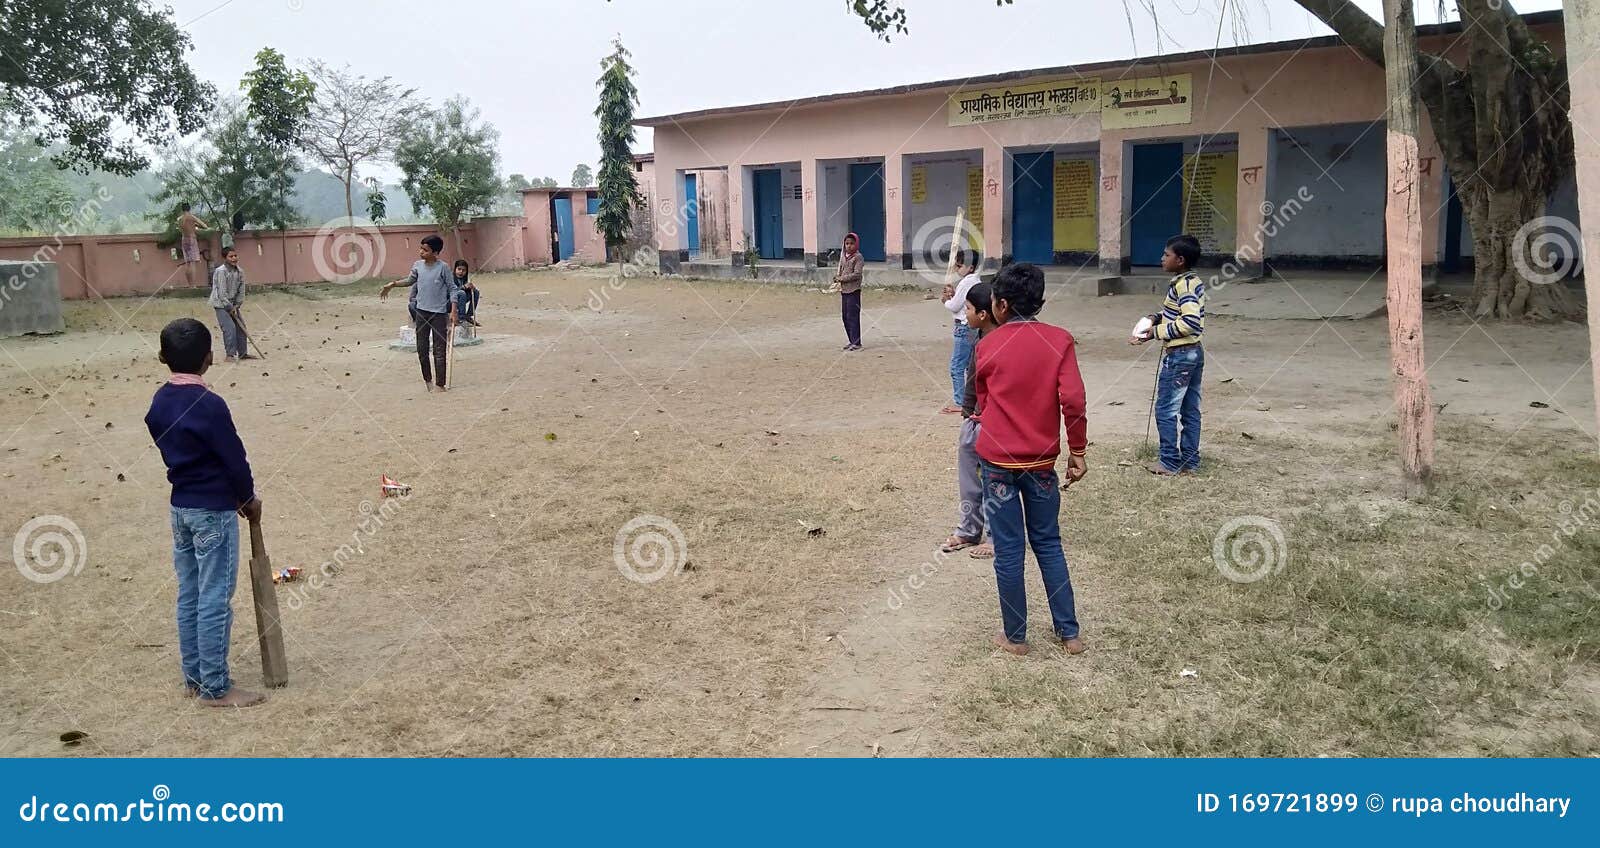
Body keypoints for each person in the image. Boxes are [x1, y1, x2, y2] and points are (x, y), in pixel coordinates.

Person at [144, 318, 266, 708]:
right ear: (210, 358)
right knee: (214, 597)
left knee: (191, 593)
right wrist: (248, 498)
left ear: (163, 357)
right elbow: (234, 458)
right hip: (213, 510)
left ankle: (194, 676)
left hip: (181, 508)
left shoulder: (159, 402)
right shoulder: (210, 405)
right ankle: (215, 686)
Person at [973, 262, 1089, 657]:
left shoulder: (987, 345)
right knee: (1048, 543)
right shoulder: (1060, 340)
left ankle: (1015, 637)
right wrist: (1078, 451)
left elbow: (982, 399)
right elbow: (1072, 401)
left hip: (997, 464)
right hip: (1041, 464)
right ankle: (1069, 634)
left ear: (1001, 305)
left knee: (1008, 550)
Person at [1131, 234, 1205, 476]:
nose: (1162, 259)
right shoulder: (1190, 282)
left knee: (1166, 409)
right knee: (1190, 409)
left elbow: (1191, 322)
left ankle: (1170, 462)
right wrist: (1155, 317)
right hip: (1194, 352)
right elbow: (1174, 313)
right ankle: (1191, 461)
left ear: (1180, 260)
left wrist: (1155, 333)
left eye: (1166, 255)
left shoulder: (1183, 285)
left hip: (1180, 355)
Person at [941, 281, 1001, 558]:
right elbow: (972, 381)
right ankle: (968, 529)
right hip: (974, 420)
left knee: (993, 480)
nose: (964, 315)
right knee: (969, 480)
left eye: (967, 309)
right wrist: (967, 412)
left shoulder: (1002, 343)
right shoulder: (976, 340)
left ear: (983, 314)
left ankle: (994, 535)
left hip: (994, 424)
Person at [380, 235, 459, 392]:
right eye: (421, 248)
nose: (421, 252)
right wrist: (393, 284)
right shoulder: (417, 265)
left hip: (438, 314)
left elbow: (452, 288)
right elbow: (410, 280)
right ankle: (428, 381)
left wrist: (454, 311)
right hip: (421, 312)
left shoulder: (443, 268)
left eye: (425, 250)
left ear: (435, 252)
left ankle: (440, 384)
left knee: (439, 349)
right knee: (422, 349)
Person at [940, 249, 983, 414]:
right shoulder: (974, 281)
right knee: (970, 366)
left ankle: (960, 402)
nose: (957, 269)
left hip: (963, 327)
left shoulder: (966, 282)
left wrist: (946, 301)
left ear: (970, 267)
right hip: (971, 328)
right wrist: (953, 296)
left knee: (957, 366)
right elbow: (961, 301)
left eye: (960, 265)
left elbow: (955, 306)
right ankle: (972, 399)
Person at [209, 246, 248, 363]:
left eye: (235, 256)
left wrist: (236, 305)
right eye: (231, 256)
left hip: (233, 304)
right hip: (221, 304)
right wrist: (229, 307)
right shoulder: (220, 272)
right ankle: (230, 355)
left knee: (241, 327)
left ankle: (243, 353)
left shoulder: (240, 271)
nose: (234, 258)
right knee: (229, 328)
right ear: (225, 258)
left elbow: (242, 290)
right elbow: (221, 292)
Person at [835, 233, 864, 350]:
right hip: (844, 291)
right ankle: (851, 340)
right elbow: (841, 270)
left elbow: (857, 274)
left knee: (853, 316)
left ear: (856, 244)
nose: (849, 246)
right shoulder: (843, 256)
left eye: (852, 243)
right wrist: (837, 278)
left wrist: (841, 278)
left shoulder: (858, 257)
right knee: (845, 316)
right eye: (847, 244)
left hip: (854, 290)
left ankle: (857, 342)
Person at [176, 203, 209, 286]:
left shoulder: (180, 219)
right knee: (193, 263)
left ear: (182, 209)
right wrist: (196, 225)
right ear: (189, 209)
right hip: (191, 239)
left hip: (184, 239)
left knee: (187, 263)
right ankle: (193, 285)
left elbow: (180, 229)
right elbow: (205, 226)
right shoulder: (192, 217)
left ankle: (189, 284)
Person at [453, 259, 480, 327]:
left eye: (463, 270)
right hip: (450, 302)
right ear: (455, 269)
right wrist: (463, 287)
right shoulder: (450, 278)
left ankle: (468, 316)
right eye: (459, 269)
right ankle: (461, 318)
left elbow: (465, 289)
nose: (461, 272)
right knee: (462, 293)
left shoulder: (464, 279)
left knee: (475, 292)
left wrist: (471, 287)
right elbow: (451, 292)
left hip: (460, 299)